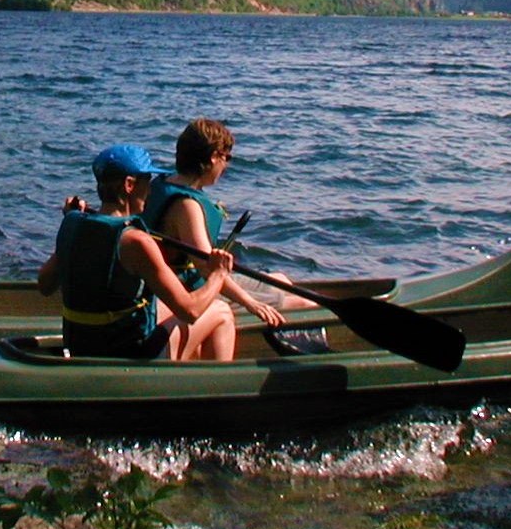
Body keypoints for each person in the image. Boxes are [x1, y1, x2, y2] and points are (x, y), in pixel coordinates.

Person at [38, 144, 237, 360]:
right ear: (129, 185)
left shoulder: (73, 223)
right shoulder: (136, 241)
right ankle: (213, 387)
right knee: (221, 311)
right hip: (129, 354)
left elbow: (45, 285)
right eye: (146, 182)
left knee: (163, 307)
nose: (150, 190)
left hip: (82, 344)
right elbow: (190, 311)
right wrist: (218, 274)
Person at [141, 118, 311, 326]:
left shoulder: (162, 182)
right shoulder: (187, 206)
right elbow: (205, 268)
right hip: (191, 289)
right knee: (302, 304)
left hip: (195, 278)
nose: (226, 166)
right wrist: (250, 303)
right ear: (213, 157)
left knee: (282, 282)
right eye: (226, 158)